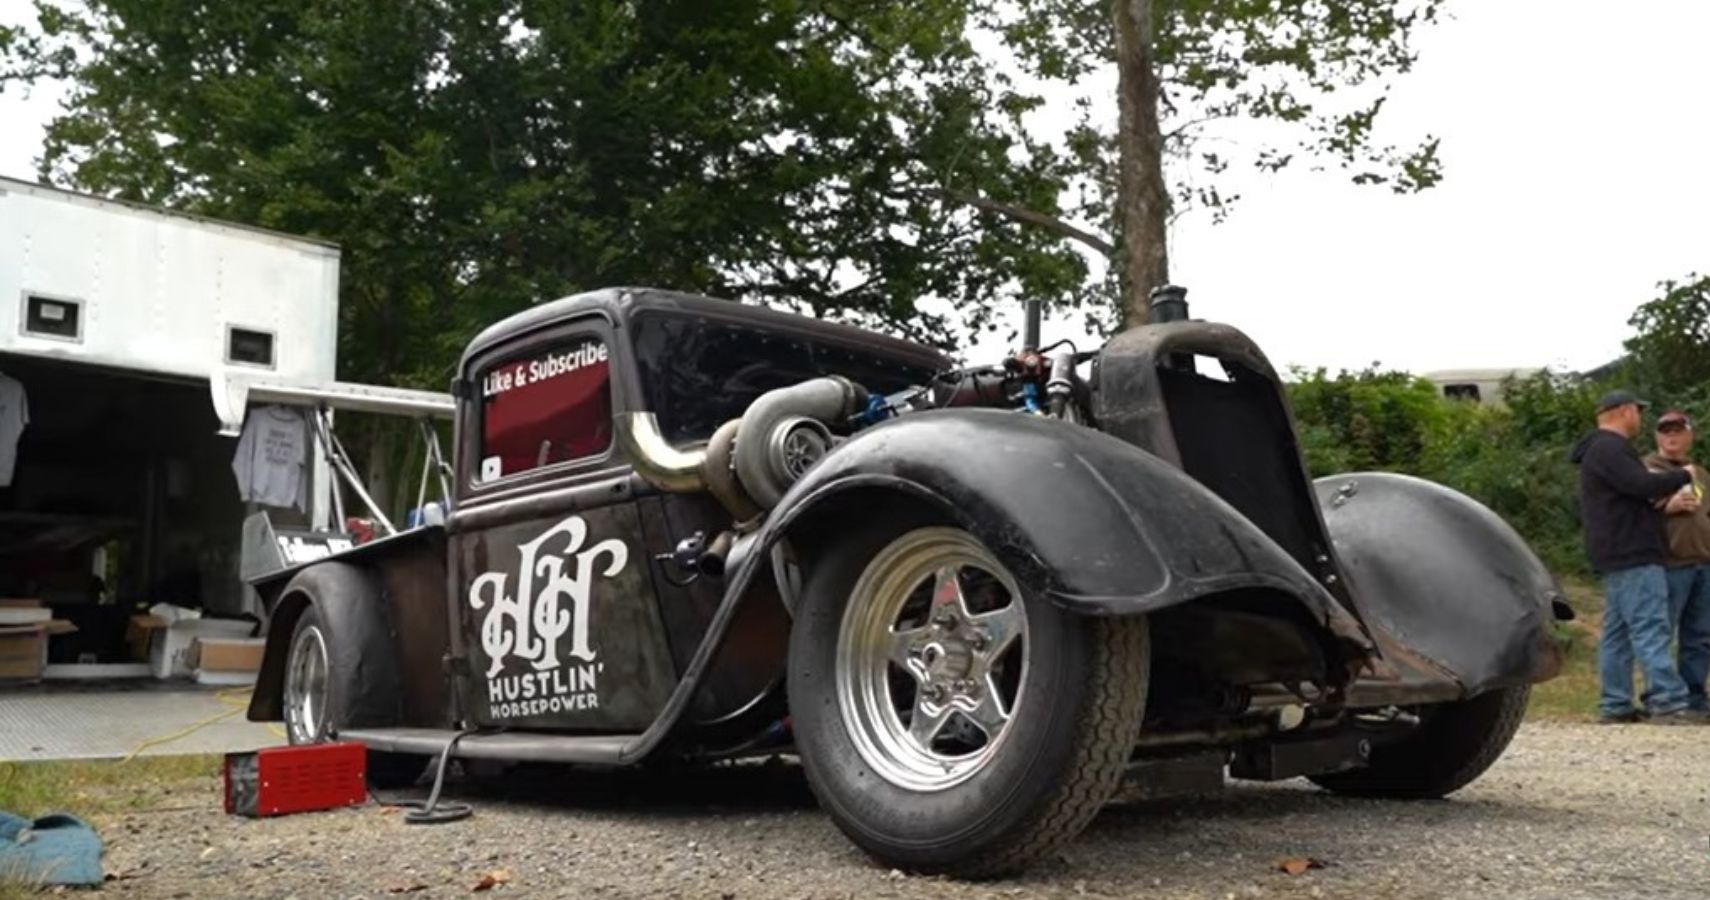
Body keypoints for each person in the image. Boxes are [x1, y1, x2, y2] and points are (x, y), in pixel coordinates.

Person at [1570, 390, 1702, 724]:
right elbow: (1640, 484)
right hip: (1633, 550)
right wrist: (1684, 475)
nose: (1639, 419)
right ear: (1626, 412)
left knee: (1617, 631)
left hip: (1615, 550)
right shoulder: (1610, 447)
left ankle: (1615, 703)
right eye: (1638, 412)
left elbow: (1630, 491)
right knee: (1650, 626)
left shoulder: (1598, 450)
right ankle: (1669, 701)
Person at [1643, 409, 1710, 714]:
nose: (1671, 436)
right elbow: (1632, 516)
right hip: (1667, 563)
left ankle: (1695, 696)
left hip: (1703, 562)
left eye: (1677, 431)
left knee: (1699, 636)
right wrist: (1666, 508)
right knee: (1661, 633)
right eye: (1665, 431)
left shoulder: (1700, 473)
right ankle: (1663, 697)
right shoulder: (1645, 469)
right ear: (1657, 436)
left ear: (1688, 436)